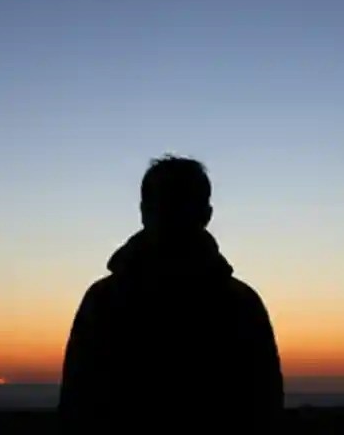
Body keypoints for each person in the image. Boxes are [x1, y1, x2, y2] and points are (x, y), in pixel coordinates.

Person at [58, 155, 284, 431]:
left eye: (180, 204)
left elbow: (76, 404)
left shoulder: (103, 299)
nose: (173, 216)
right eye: (166, 204)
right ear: (207, 214)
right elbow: (265, 406)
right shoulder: (241, 302)